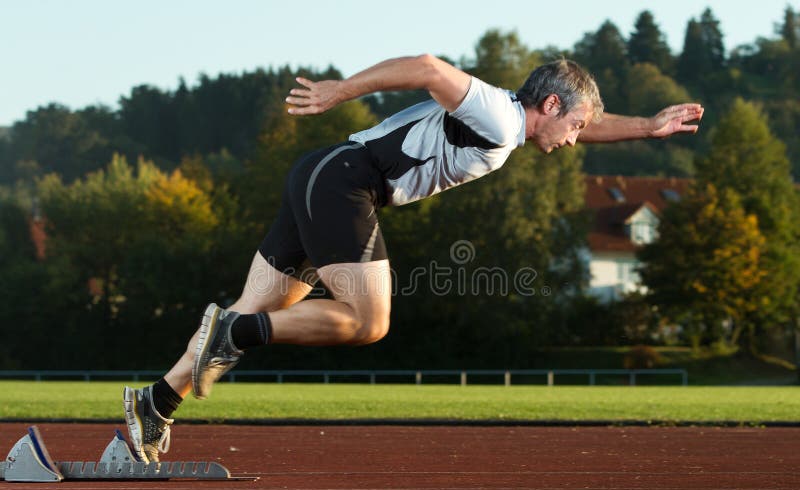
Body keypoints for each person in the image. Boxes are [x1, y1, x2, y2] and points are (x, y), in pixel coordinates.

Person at [122, 54, 703, 462]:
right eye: (574, 124)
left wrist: (648, 129)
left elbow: (589, 123)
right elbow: (427, 68)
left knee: (257, 312)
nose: (576, 138)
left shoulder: (511, 123)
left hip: (321, 176)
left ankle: (156, 404)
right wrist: (338, 91)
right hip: (347, 184)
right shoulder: (500, 117)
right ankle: (236, 329)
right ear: (549, 104)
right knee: (366, 322)